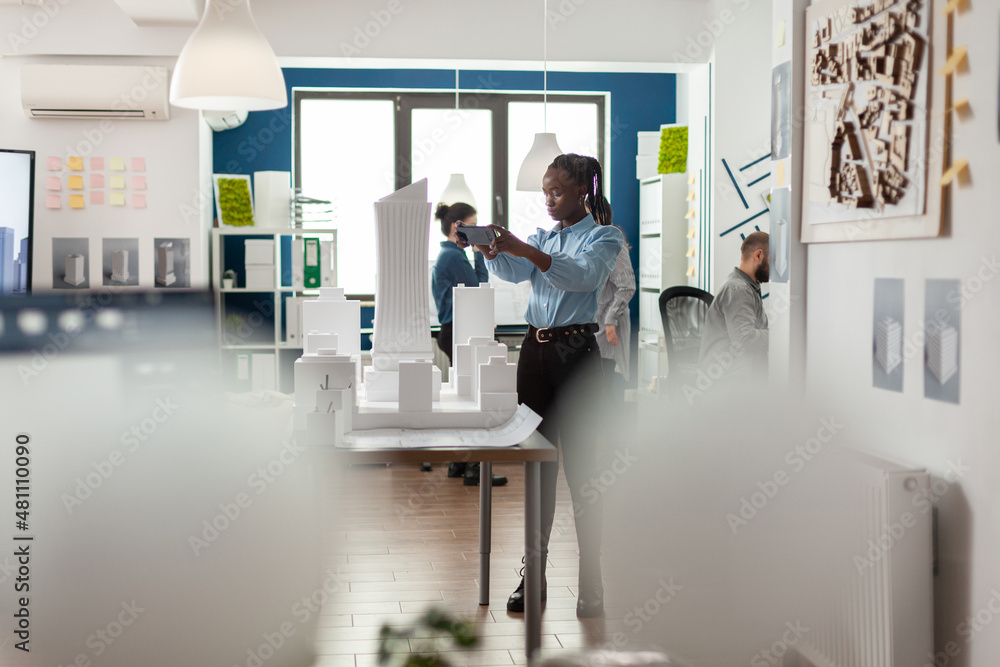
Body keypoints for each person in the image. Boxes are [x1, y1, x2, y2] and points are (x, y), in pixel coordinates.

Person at [464, 153, 623, 618]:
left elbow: (582, 277)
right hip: (533, 355)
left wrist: (524, 249)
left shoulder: (604, 236)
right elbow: (517, 273)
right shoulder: (541, 237)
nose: (549, 200)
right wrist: (495, 252)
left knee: (585, 475)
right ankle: (533, 575)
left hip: (577, 359)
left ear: (582, 192)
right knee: (538, 468)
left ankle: (591, 582)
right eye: (545, 192)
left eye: (557, 191)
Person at [431, 202, 507, 487]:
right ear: (457, 228)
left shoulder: (447, 255)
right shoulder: (455, 257)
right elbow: (478, 289)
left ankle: (459, 463)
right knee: (474, 399)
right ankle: (474, 467)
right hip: (461, 332)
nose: (477, 232)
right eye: (473, 226)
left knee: (466, 397)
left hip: (454, 331)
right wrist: (479, 254)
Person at [697, 231, 770, 383]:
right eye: (773, 260)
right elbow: (745, 339)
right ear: (758, 256)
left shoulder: (747, 287)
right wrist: (780, 337)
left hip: (736, 378)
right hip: (728, 383)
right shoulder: (739, 290)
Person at [593, 197, 635, 402]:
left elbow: (627, 286)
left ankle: (607, 434)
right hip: (594, 328)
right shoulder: (590, 241)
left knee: (607, 388)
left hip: (607, 328)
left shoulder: (612, 242)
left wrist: (610, 320)